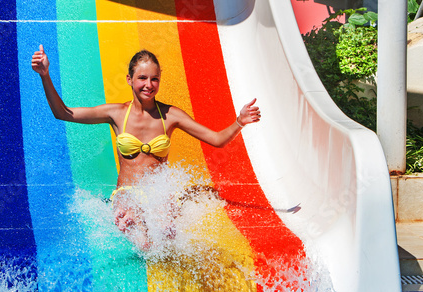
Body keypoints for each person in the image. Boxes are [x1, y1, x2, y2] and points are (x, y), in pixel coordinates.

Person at [30, 46, 260, 250]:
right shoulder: (117, 114)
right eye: (142, 78)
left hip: (157, 195)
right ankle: (136, 229)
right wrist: (45, 75)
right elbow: (63, 113)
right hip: (127, 195)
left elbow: (217, 139)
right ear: (129, 79)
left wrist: (239, 122)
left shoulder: (171, 116)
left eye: (154, 79)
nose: (149, 85)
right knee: (142, 240)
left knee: (167, 233)